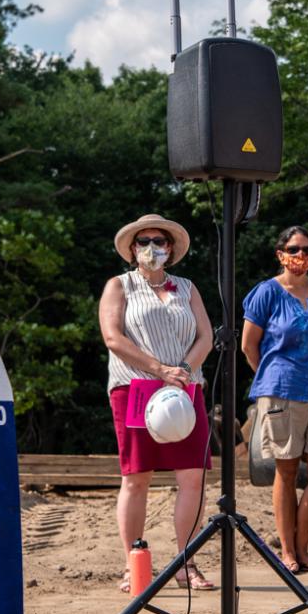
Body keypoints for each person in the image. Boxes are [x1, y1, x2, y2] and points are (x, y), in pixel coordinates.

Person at [100, 213, 215, 591]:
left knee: (193, 477)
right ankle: (133, 563)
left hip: (184, 389)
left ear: (170, 248)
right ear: (132, 250)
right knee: (136, 478)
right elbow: (113, 338)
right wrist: (158, 368)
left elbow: (206, 336)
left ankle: (186, 562)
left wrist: (181, 369)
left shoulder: (187, 287)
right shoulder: (120, 286)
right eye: (144, 241)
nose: (152, 248)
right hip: (135, 388)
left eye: (159, 241)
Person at [242, 226, 308, 574]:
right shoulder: (266, 293)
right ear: (280, 252)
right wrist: (269, 379)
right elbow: (248, 345)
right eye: (294, 249)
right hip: (282, 388)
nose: (301, 255)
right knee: (285, 469)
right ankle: (288, 552)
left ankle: (304, 548)